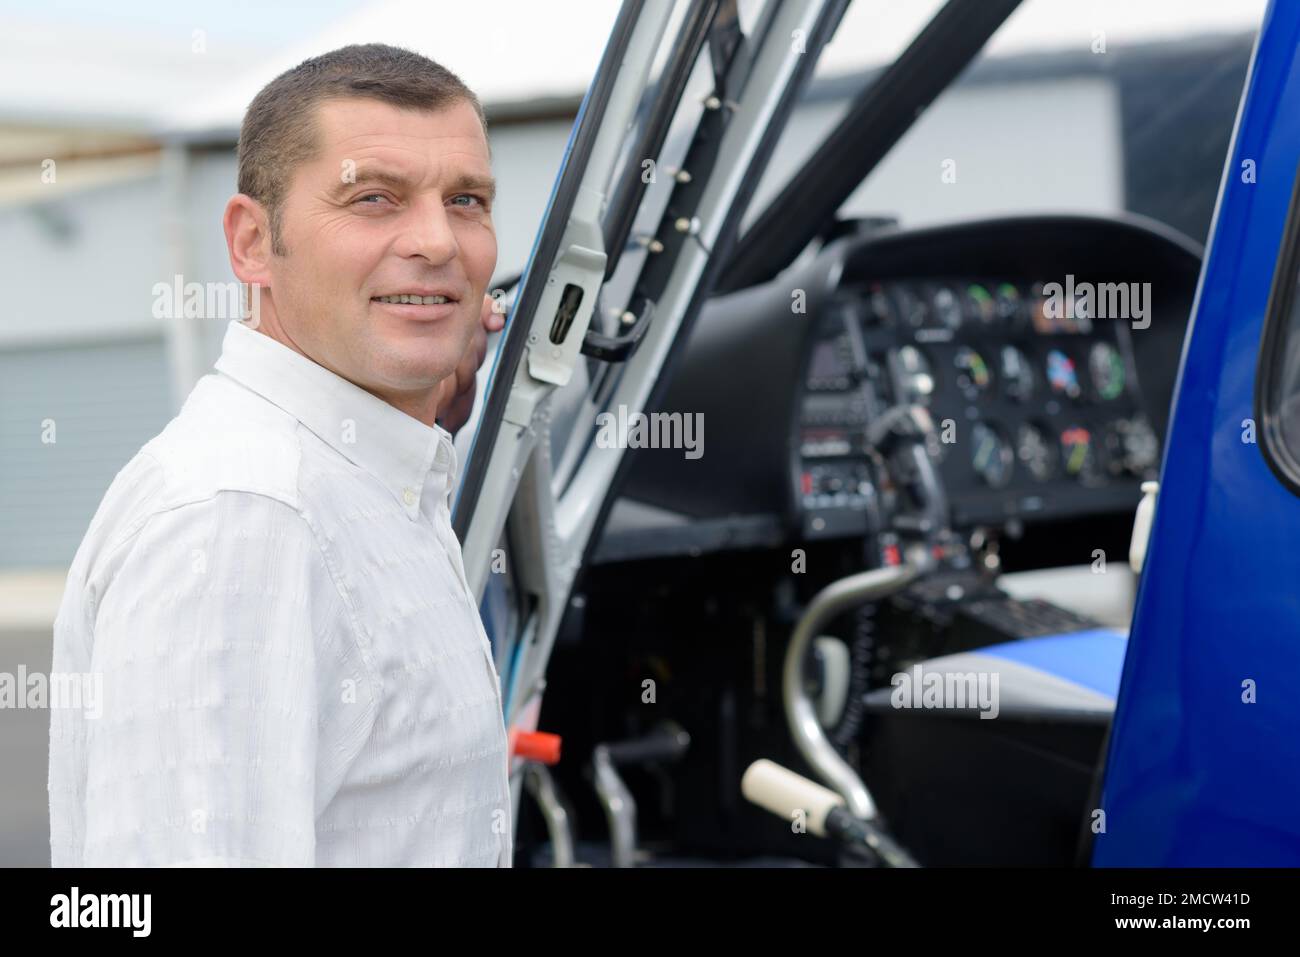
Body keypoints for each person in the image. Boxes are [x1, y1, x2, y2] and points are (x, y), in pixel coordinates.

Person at [49, 44, 513, 867]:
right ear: (253, 242)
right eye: (375, 197)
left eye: (467, 200)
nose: (440, 241)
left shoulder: (371, 478)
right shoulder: (244, 517)